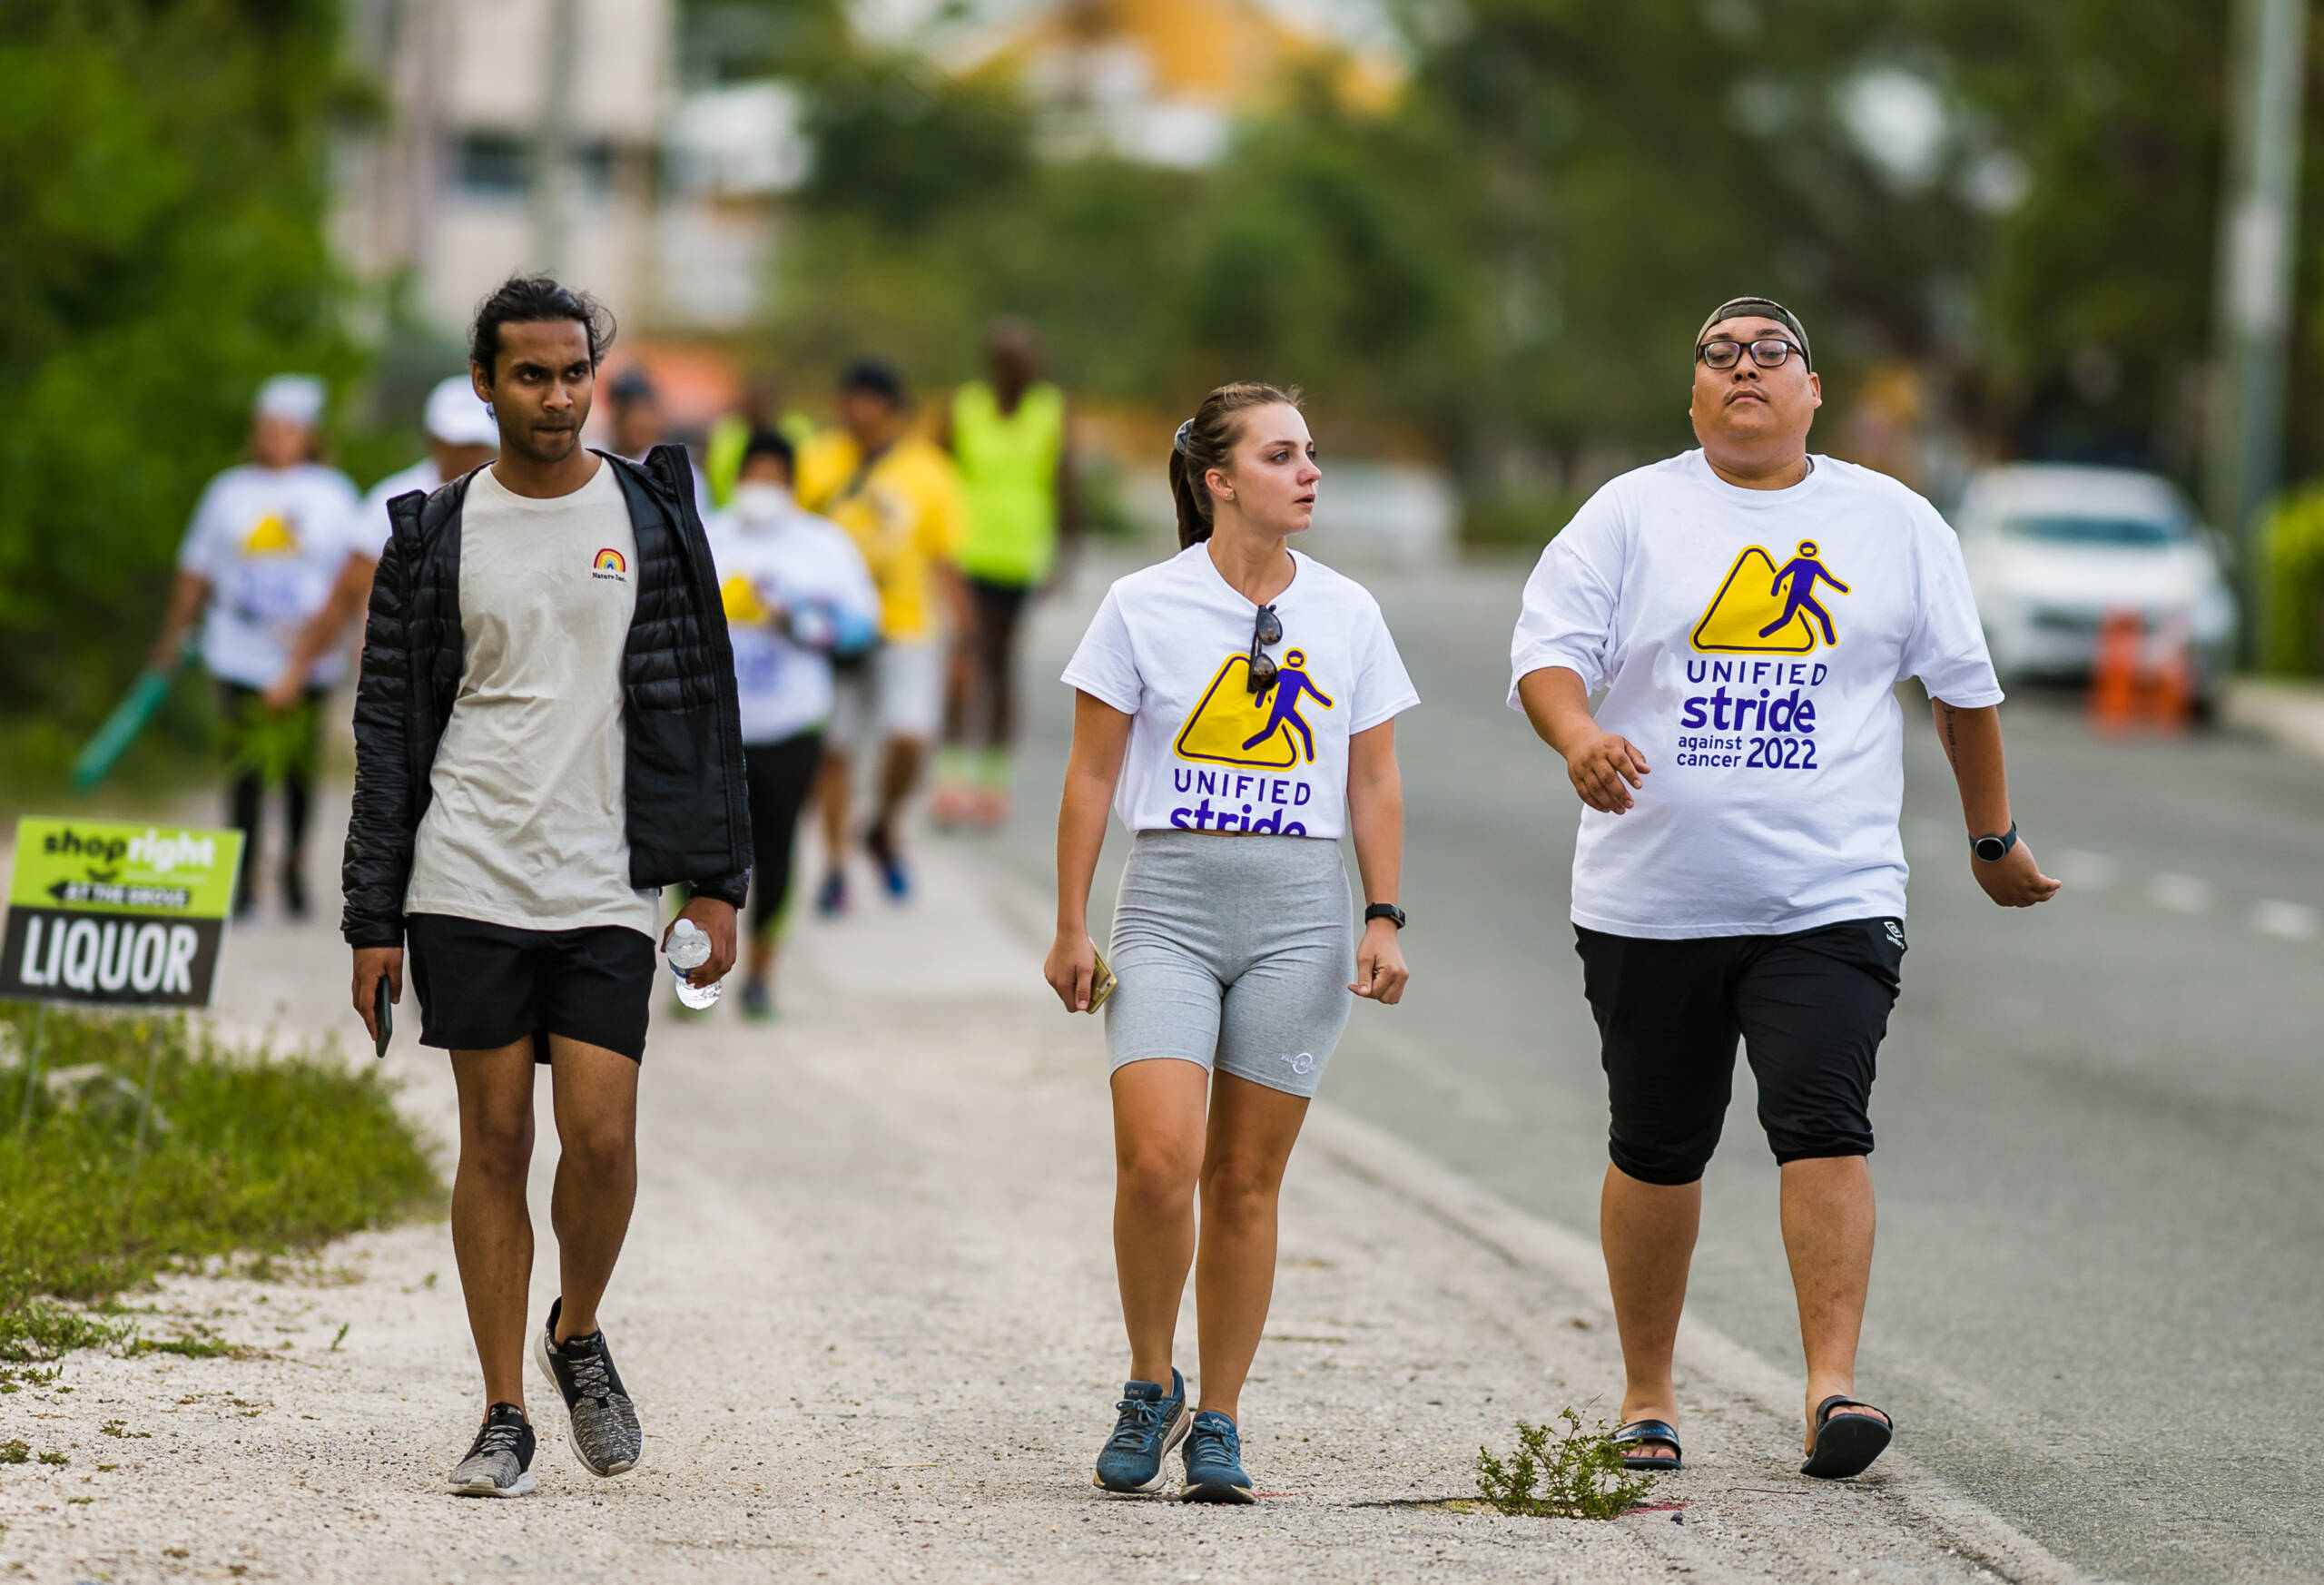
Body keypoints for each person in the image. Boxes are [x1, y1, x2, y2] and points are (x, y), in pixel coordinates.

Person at [1507, 297, 2060, 1482]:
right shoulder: (1629, 513)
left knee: (1823, 1115)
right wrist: (1576, 737)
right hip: (1650, 897)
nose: (1743, 368)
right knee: (1658, 1146)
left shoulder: (1892, 521)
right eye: (1717, 353)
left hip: (1831, 891)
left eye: (1770, 353)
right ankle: (1647, 1395)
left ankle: (1832, 1390)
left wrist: (1991, 836)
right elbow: (1546, 651)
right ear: (1692, 394)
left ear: (1813, 390)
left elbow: (1963, 691)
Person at [341, 274, 751, 1499]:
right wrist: (372, 918)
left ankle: (575, 1328)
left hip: (610, 877)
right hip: (466, 865)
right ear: (485, 385)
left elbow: (702, 698)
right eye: (532, 374)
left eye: (575, 372)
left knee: (605, 1137)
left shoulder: (652, 511)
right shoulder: (433, 535)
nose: (558, 395)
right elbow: (389, 735)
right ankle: (503, 1409)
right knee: (496, 1138)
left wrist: (719, 879)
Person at [1045, 382, 1418, 1503]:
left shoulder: (1348, 612)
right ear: (1219, 480)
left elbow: (1374, 775)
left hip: (1300, 911)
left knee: (1245, 1182)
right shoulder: (1139, 605)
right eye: (1280, 455)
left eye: (1310, 451)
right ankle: (1148, 1380)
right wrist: (1070, 918)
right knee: (1158, 1162)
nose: (1308, 472)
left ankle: (1220, 1419)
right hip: (1166, 903)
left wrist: (1382, 915)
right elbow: (1091, 773)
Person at [150, 374, 360, 920]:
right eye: (267, 427)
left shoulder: (333, 495)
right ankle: (241, 879)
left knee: (297, 768)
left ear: (308, 433)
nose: (275, 437)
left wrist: (356, 637)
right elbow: (195, 569)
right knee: (242, 766)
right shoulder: (229, 491)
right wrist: (173, 635)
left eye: (286, 427)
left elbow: (356, 573)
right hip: (236, 649)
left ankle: (293, 865)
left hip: (308, 656)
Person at [702, 429, 880, 1019]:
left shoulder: (822, 545)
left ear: (793, 483)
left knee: (776, 850)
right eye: (756, 474)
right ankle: (694, 972)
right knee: (700, 855)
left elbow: (861, 627)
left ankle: (760, 973)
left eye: (777, 476)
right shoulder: (709, 533)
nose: (764, 487)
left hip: (792, 725)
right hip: (712, 725)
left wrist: (799, 617)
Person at [794, 359, 969, 911]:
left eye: (863, 398)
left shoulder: (928, 470)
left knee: (910, 735)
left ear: (889, 405)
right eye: (846, 397)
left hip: (905, 626)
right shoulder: (818, 460)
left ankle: (884, 822)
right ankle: (835, 866)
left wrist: (964, 639)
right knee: (835, 749)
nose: (851, 410)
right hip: (835, 629)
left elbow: (945, 559)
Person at [268, 375, 499, 708]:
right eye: (457, 443)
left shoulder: (511, 504)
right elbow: (346, 592)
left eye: (474, 444)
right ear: (434, 439)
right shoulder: (392, 503)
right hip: (401, 683)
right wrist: (297, 670)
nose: (467, 454)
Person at [931, 319, 1078, 829]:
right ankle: (951, 780)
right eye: (1011, 361)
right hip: (966, 553)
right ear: (995, 364)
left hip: (1019, 557)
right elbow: (935, 473)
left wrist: (1065, 555)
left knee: (1003, 664)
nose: (1021, 369)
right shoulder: (964, 407)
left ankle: (992, 783)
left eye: (1027, 360)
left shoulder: (1049, 412)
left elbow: (1065, 485)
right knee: (964, 660)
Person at [606, 366, 712, 517]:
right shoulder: (594, 459)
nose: (639, 421)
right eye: (629, 412)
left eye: (646, 412)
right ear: (615, 415)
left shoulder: (681, 472)